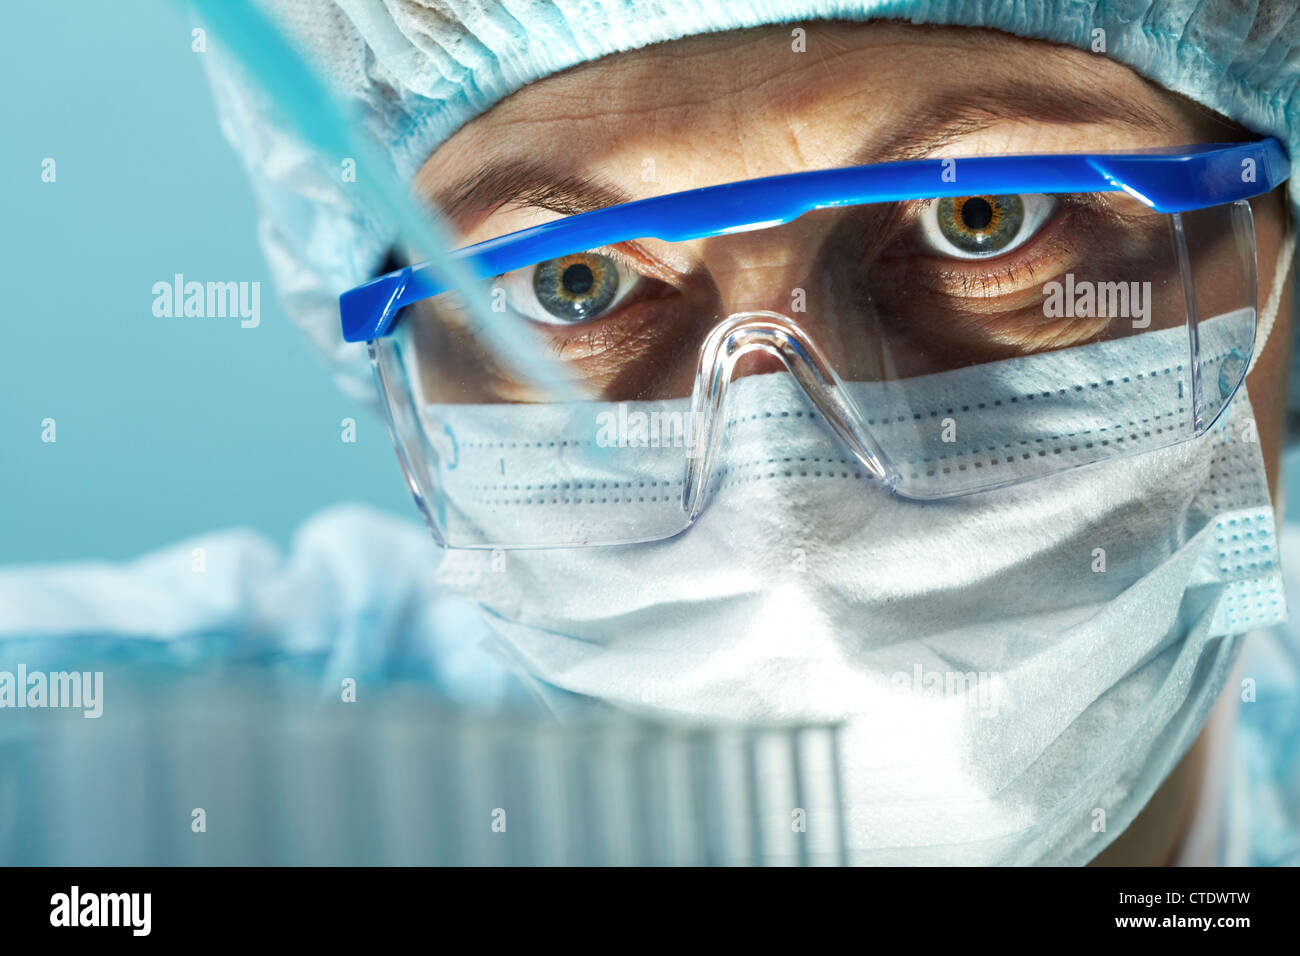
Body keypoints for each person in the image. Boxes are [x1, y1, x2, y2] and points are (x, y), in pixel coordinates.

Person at [4, 0, 1300, 865]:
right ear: (401, 391)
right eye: (571, 287)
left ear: (1282, 250)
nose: (790, 514)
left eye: (989, 220)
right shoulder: (169, 782)